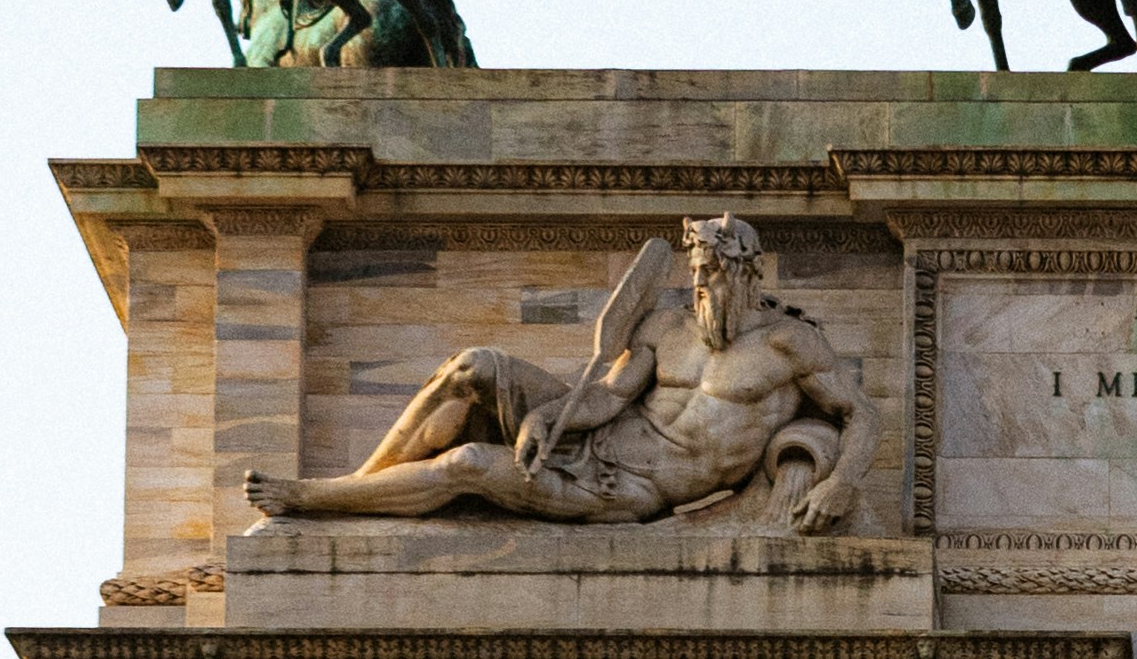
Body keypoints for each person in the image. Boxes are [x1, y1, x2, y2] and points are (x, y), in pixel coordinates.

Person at [251, 216, 876, 534]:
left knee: (469, 463)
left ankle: (311, 498)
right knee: (473, 367)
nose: (699, 284)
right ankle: (360, 488)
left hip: (630, 490)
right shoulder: (668, 327)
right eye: (694, 272)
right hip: (596, 437)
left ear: (744, 273)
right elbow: (610, 393)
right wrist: (549, 416)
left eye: (711, 272)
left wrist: (842, 481)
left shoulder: (792, 344)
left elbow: (860, 415)